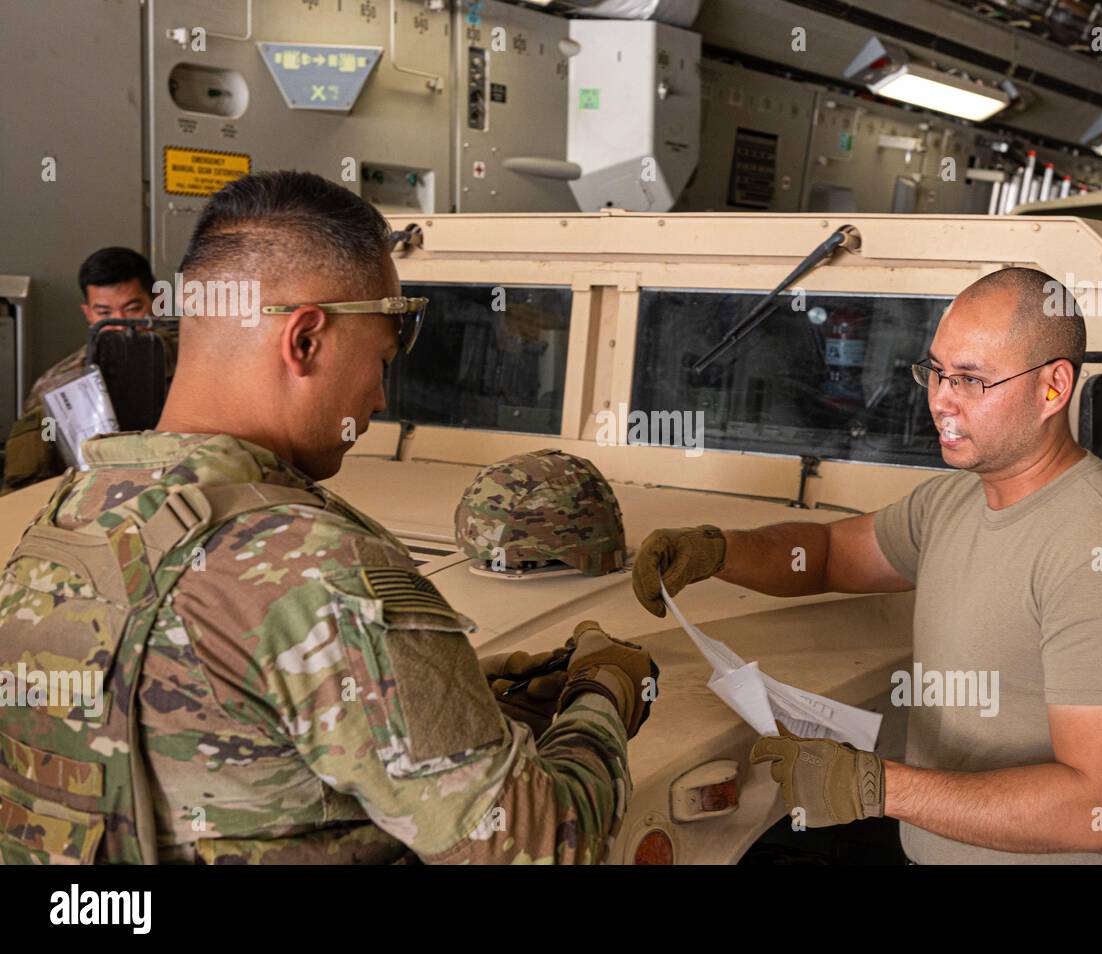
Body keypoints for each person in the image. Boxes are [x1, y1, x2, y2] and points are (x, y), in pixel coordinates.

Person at [0, 170, 653, 864]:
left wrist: (465, 692)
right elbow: (542, 847)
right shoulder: (320, 569)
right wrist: (602, 691)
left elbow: (208, 740)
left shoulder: (70, 515)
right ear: (305, 340)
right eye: (380, 359)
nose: (377, 398)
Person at [634, 267, 1102, 864]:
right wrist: (718, 551)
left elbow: (1096, 810)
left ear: (1053, 388)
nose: (940, 400)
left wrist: (875, 786)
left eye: (972, 380)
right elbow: (826, 556)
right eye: (936, 372)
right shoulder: (955, 500)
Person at [2, 247, 172, 493]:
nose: (120, 323)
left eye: (133, 309)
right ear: (88, 314)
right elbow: (26, 484)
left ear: (158, 302)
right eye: (104, 313)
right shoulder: (57, 387)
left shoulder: (193, 365)